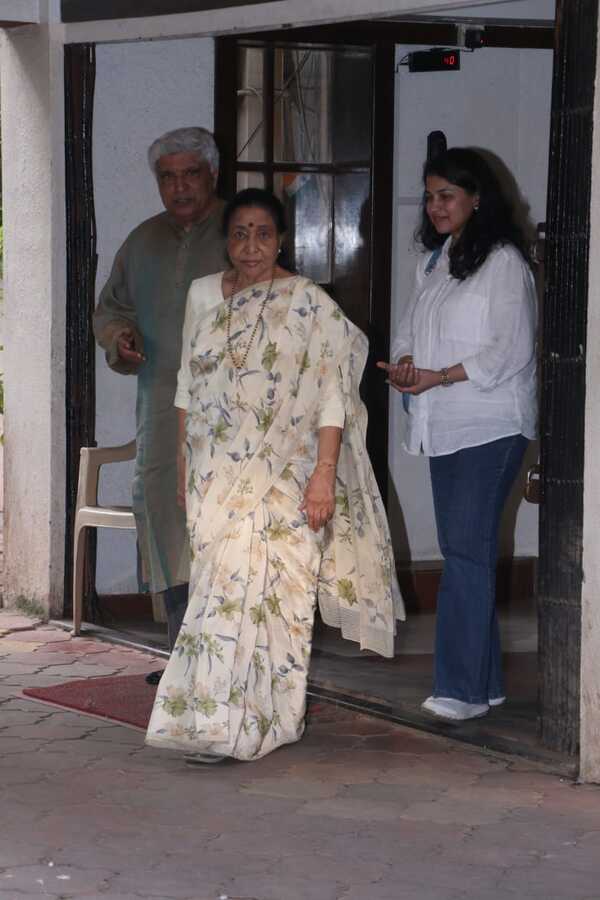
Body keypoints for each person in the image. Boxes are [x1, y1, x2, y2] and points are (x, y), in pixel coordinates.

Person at [146, 188, 404, 762]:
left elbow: (331, 396)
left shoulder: (307, 303)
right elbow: (189, 383)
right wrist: (187, 464)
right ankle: (215, 721)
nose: (251, 246)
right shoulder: (203, 294)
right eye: (240, 233)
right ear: (226, 241)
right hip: (216, 474)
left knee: (275, 596)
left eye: (263, 233)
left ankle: (275, 718)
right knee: (219, 596)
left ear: (282, 238)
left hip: (285, 476)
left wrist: (323, 475)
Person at [378, 148, 537, 723]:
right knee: (465, 553)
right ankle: (486, 684)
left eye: (447, 194)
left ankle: (460, 690)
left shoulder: (504, 262)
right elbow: (406, 331)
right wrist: (404, 365)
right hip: (442, 425)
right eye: (430, 195)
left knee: (465, 556)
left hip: (490, 426)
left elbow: (509, 351)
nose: (436, 205)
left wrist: (438, 376)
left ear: (476, 198)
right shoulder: (435, 263)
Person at [93, 127, 228, 680]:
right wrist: (120, 337)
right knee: (168, 521)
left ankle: (223, 657)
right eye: (167, 177)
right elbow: (109, 307)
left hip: (230, 413)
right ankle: (180, 654)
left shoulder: (239, 231)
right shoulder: (142, 240)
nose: (179, 187)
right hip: (160, 409)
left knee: (222, 524)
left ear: (211, 175)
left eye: (189, 174)